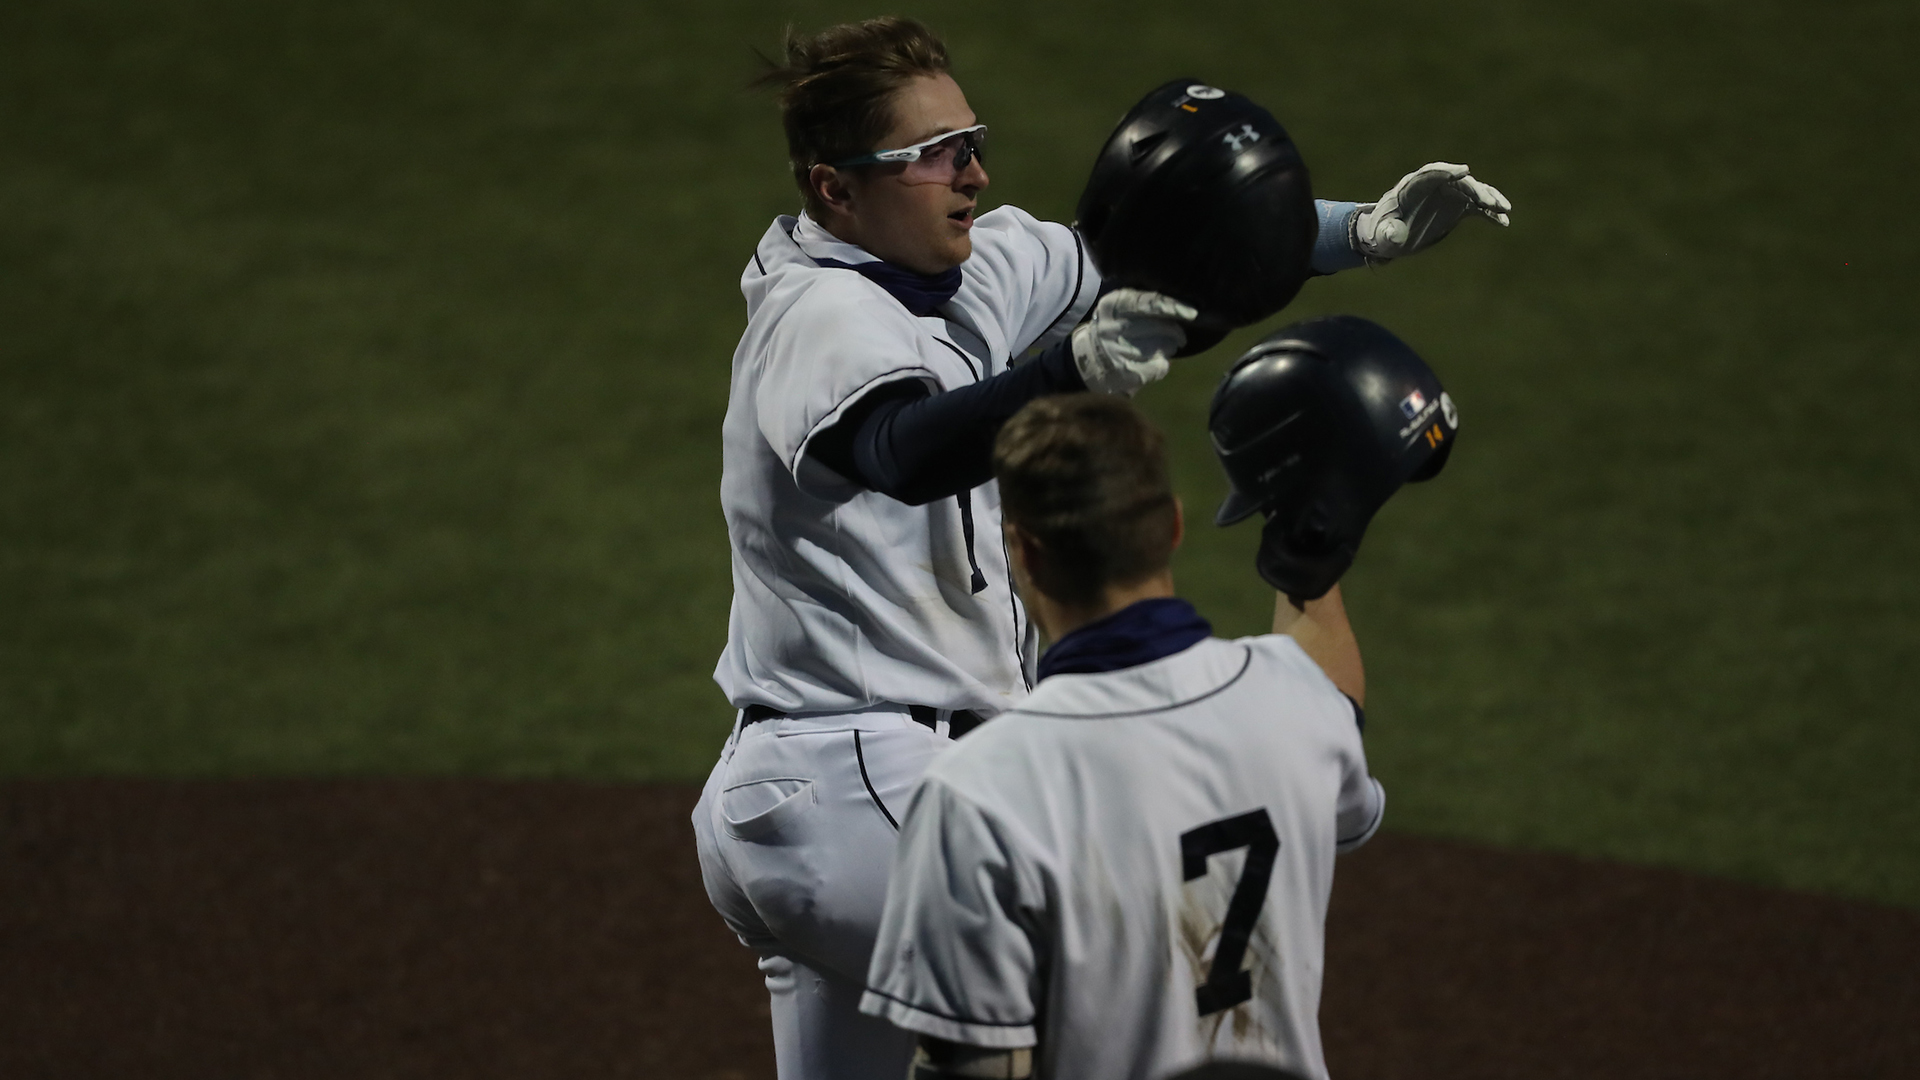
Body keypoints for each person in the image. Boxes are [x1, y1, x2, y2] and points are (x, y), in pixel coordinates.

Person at [690, 17, 1507, 1079]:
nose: (973, 172)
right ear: (835, 191)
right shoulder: (821, 313)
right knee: (1141, 1002)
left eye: (971, 139)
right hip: (866, 782)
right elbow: (896, 448)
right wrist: (1064, 368)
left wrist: (1353, 234)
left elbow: (1164, 249)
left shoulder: (964, 266)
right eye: (934, 155)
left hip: (813, 800)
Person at [857, 393, 1387, 1080]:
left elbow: (975, 1067)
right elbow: (1337, 703)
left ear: (1022, 551)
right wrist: (1311, 525)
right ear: (1171, 525)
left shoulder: (979, 789)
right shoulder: (1298, 699)